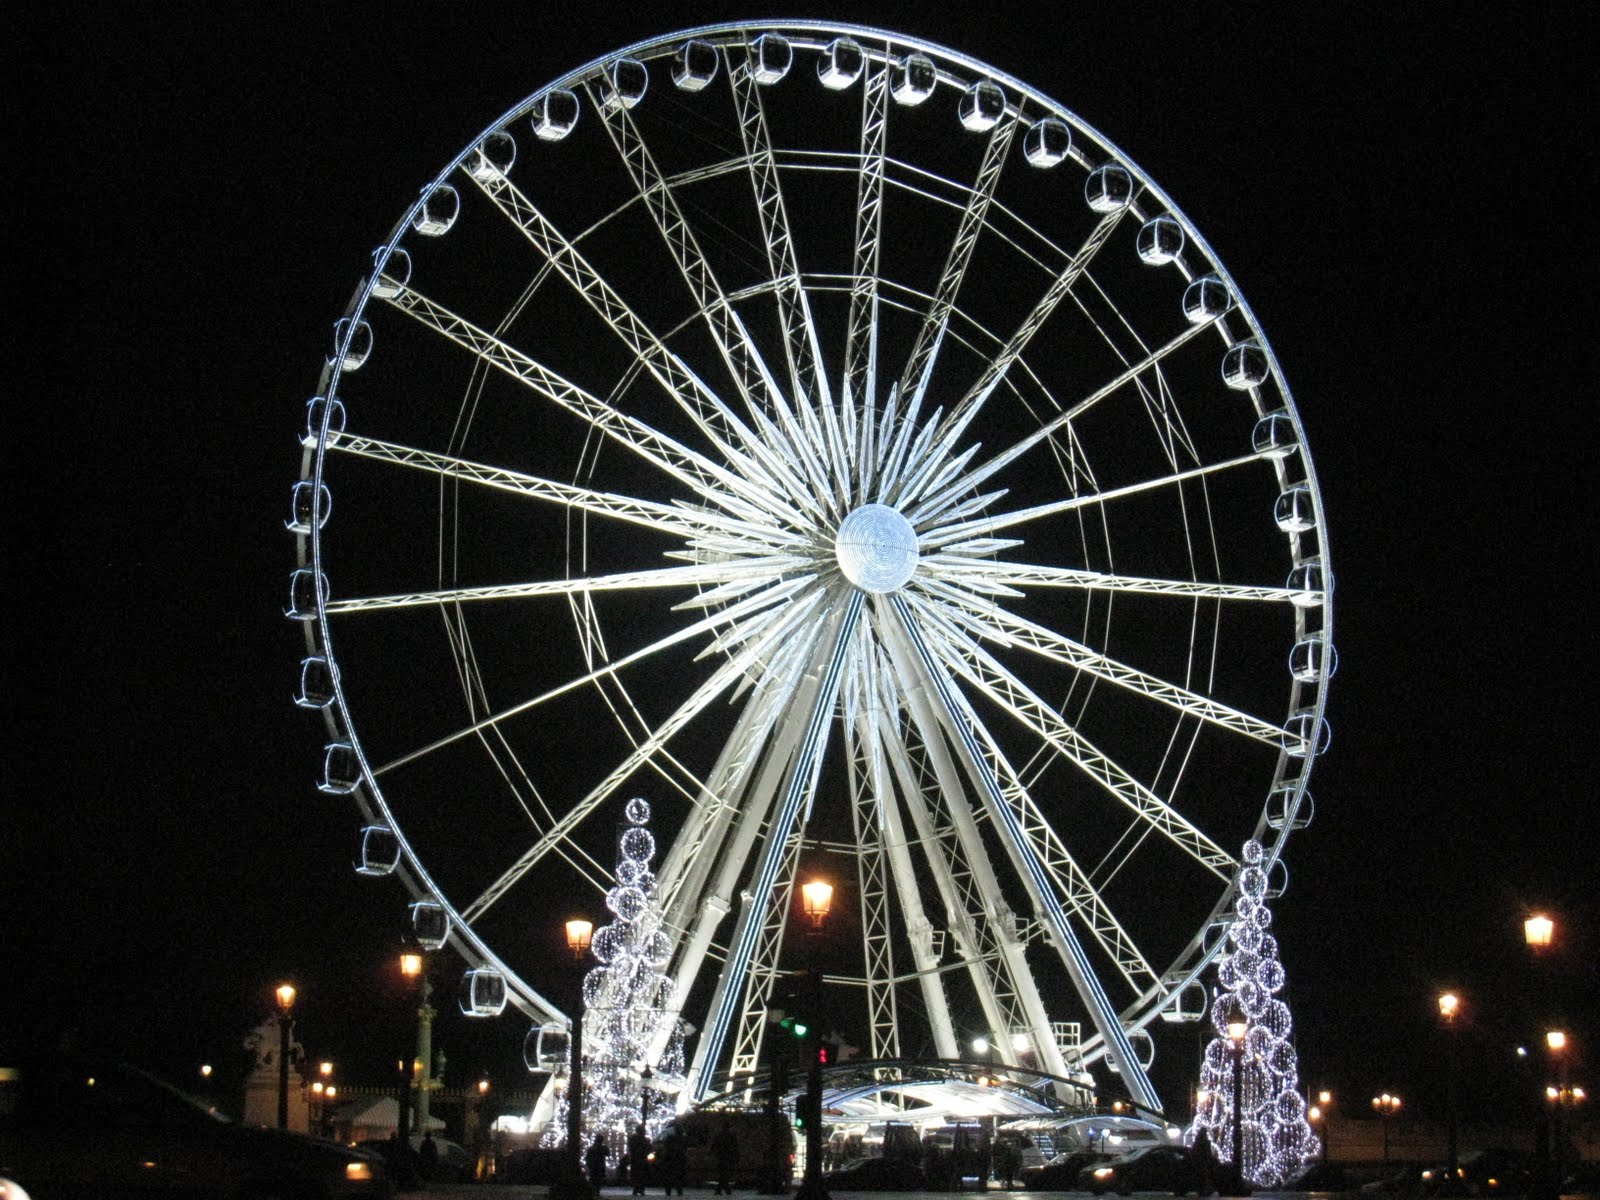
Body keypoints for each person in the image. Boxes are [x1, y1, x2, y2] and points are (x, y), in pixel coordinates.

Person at [712, 1120, 740, 1195]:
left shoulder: (718, 1135)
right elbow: (735, 1146)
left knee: (722, 1173)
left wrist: (714, 1154)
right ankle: (724, 1189)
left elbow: (714, 1146)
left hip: (720, 1156)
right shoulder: (731, 1136)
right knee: (726, 1173)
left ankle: (721, 1189)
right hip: (728, 1157)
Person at [660, 1128, 687, 1196]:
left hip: (670, 1161)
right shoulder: (681, 1140)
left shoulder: (671, 1139)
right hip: (678, 1161)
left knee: (669, 1176)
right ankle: (678, 1190)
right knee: (678, 1177)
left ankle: (669, 1190)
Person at [629, 1123, 652, 1196]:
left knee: (636, 1175)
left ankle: (636, 1189)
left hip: (636, 1159)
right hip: (642, 1159)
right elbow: (649, 1149)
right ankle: (641, 1189)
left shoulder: (633, 1139)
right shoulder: (645, 1140)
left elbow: (631, 1149)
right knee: (642, 1175)